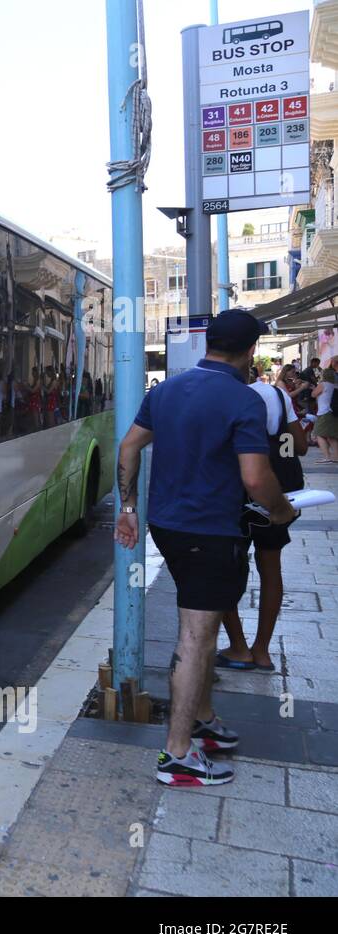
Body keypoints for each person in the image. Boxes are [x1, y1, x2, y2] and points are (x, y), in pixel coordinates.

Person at [115, 309, 296, 787]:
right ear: (250, 350)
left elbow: (128, 448)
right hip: (210, 532)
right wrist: (281, 511)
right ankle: (177, 755)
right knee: (195, 637)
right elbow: (257, 479)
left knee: (205, 626)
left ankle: (201, 719)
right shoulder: (243, 399)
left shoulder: (167, 390)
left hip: (168, 528)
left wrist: (128, 509)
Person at [217, 363, 308, 672]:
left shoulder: (231, 398)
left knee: (225, 572)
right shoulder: (280, 398)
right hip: (276, 497)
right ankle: (263, 650)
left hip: (236, 499)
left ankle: (238, 646)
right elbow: (302, 447)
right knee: (271, 570)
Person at [312, 357, 338, 463]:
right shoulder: (335, 385)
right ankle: (336, 457)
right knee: (331, 436)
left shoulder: (323, 384)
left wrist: (313, 387)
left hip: (324, 412)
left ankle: (327, 457)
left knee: (319, 434)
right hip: (332, 411)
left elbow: (313, 394)